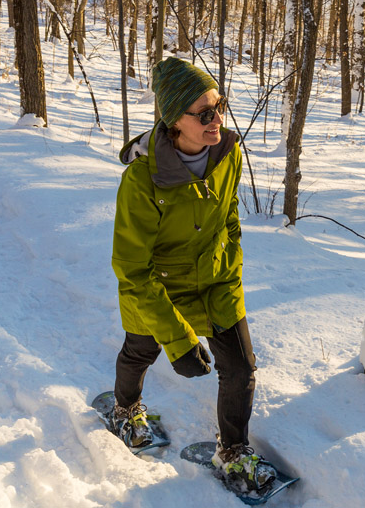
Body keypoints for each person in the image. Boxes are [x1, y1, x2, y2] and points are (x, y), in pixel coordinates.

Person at [109, 57, 275, 492]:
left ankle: (233, 449)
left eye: (220, 105)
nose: (216, 119)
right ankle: (125, 409)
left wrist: (231, 262)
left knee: (240, 366)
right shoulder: (142, 181)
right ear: (173, 120)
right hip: (157, 289)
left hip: (217, 282)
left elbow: (231, 216)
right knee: (141, 352)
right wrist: (179, 341)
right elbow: (131, 269)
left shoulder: (229, 153)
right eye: (203, 113)